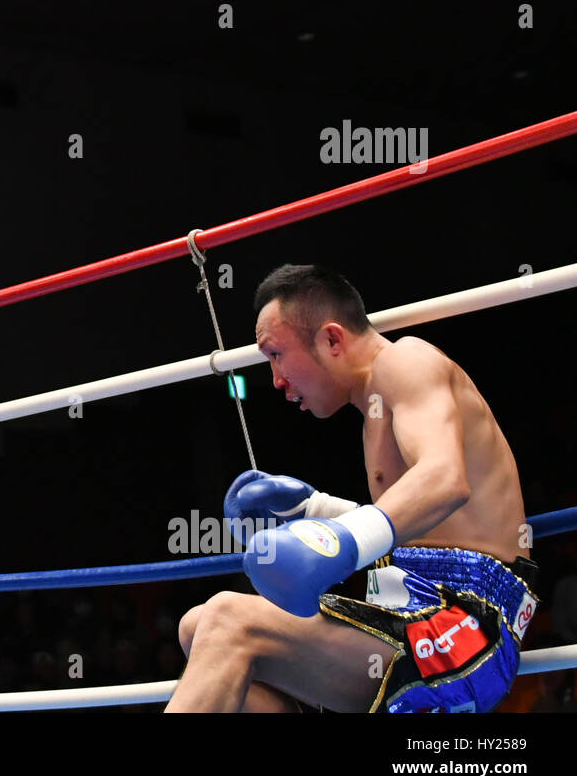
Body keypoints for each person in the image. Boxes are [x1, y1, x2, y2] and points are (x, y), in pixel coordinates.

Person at [168, 265, 539, 713]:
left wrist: (334, 538)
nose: (276, 380)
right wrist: (314, 510)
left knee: (228, 618)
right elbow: (425, 530)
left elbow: (444, 479)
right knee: (197, 624)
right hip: (410, 610)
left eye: (276, 354)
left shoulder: (407, 360)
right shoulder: (375, 410)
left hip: (467, 628)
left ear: (331, 339)